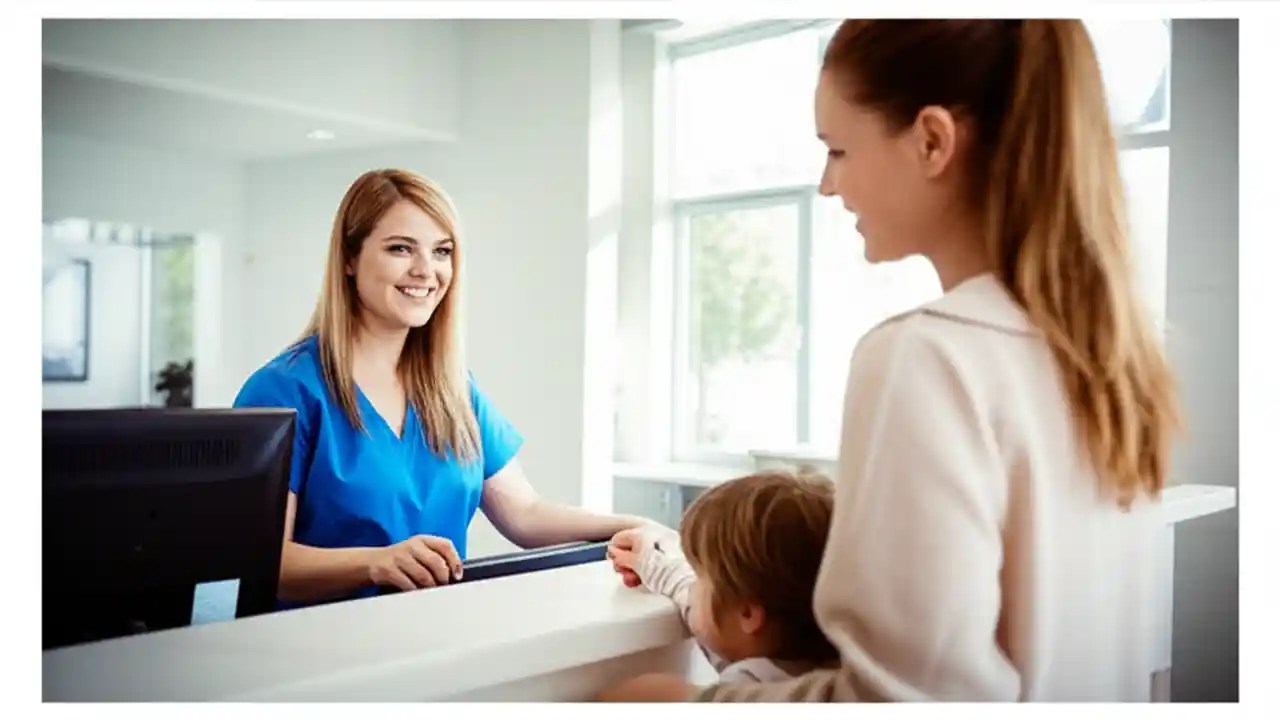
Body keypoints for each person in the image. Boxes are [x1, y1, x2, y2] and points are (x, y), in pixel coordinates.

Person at [598, 19, 1180, 702]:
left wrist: (686, 704)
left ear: (932, 141)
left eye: (838, 150)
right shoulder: (1108, 363)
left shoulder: (926, 358)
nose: (826, 185)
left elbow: (905, 701)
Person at [234, 168, 647, 606]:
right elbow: (258, 562)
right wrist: (373, 563)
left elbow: (525, 515)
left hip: (436, 637)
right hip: (312, 652)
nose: (426, 270)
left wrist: (634, 526)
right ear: (349, 260)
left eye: (442, 251)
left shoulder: (454, 390)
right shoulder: (283, 391)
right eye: (400, 248)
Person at [602, 469, 839, 689]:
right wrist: (652, 564)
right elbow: (697, 602)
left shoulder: (747, 688)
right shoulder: (830, 671)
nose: (693, 586)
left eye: (700, 577)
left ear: (747, 613)